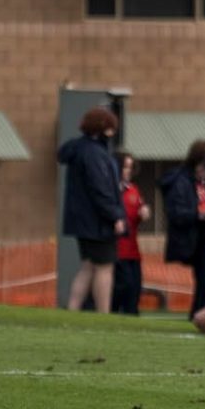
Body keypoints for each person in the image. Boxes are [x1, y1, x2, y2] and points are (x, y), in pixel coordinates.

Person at [58, 106, 125, 313]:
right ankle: (103, 313)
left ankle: (73, 308)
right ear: (104, 129)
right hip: (97, 222)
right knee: (104, 267)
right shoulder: (95, 154)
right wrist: (115, 215)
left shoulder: (78, 150)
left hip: (83, 221)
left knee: (87, 266)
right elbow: (100, 189)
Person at [160, 140, 205, 317]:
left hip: (204, 235)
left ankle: (198, 312)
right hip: (192, 237)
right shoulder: (181, 182)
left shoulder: (204, 182)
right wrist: (199, 215)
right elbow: (176, 212)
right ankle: (199, 312)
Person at [113, 151, 148, 315]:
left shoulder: (134, 190)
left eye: (130, 167)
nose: (128, 171)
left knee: (134, 289)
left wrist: (143, 213)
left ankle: (131, 317)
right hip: (116, 251)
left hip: (133, 251)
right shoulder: (111, 191)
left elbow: (139, 212)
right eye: (125, 167)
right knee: (122, 287)